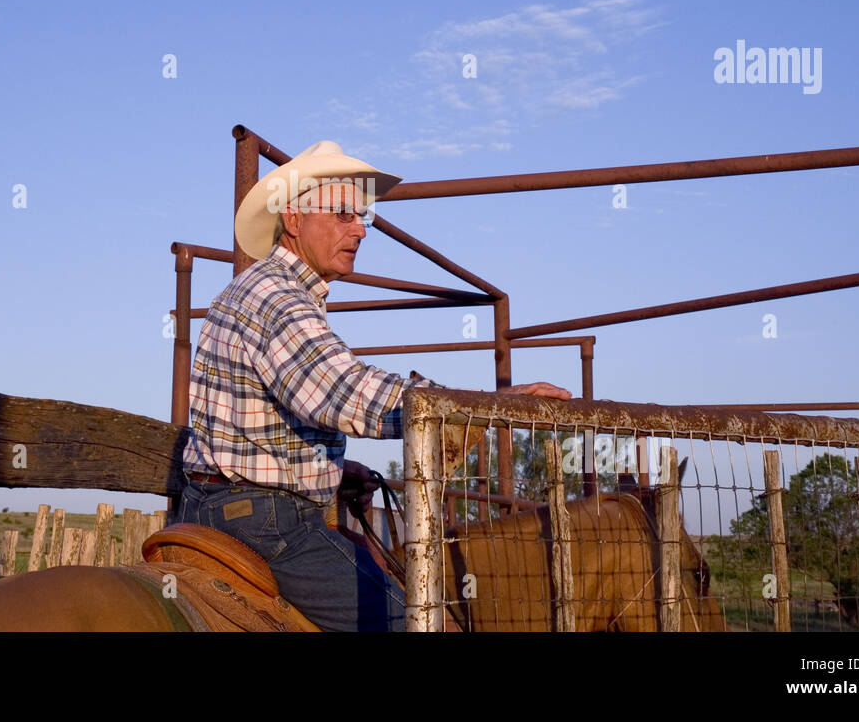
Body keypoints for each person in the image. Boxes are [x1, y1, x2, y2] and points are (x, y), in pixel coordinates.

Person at [176, 140, 571, 631]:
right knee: (420, 625)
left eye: (363, 218)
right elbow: (346, 391)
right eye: (343, 214)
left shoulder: (265, 290)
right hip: (264, 523)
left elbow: (271, 422)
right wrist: (477, 407)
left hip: (222, 505)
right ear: (294, 221)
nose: (361, 229)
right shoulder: (277, 298)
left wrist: (334, 471)